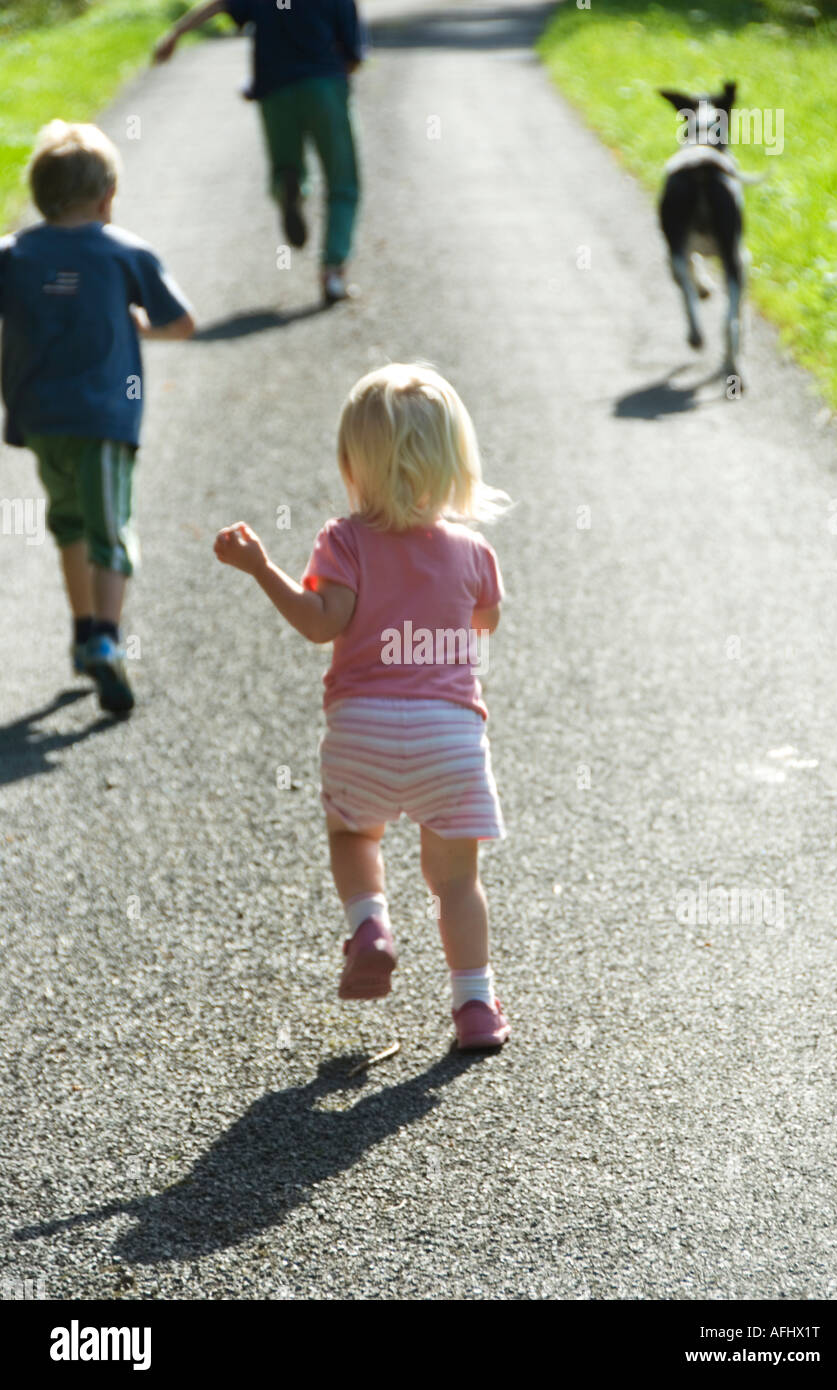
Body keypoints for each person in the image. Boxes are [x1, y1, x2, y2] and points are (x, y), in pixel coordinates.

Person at [214, 364, 513, 1049]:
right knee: (456, 882)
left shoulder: (343, 541)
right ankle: (474, 1007)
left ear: (353, 463)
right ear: (454, 463)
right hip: (450, 739)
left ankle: (370, 923)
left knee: (354, 835)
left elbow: (320, 622)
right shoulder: (473, 550)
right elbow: (487, 621)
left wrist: (263, 567)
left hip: (364, 730)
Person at [0, 121, 195, 715]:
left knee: (68, 523)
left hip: (39, 420)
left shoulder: (14, 254)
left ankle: (83, 630)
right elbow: (182, 322)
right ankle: (107, 638)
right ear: (107, 197)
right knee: (110, 530)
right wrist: (142, 326)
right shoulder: (124, 252)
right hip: (104, 420)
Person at [154, 0, 364, 304]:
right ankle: (333, 271)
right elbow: (353, 56)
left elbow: (220, 4)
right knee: (343, 181)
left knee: (285, 165)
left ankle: (288, 188)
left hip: (274, 89)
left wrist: (175, 33)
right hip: (324, 86)